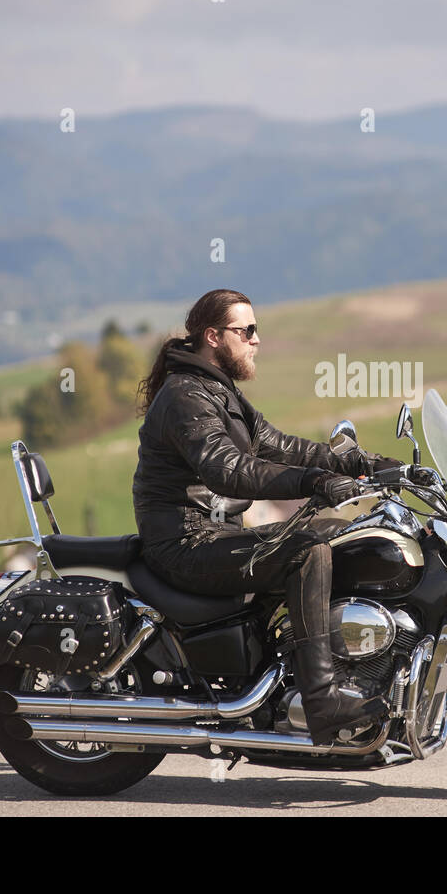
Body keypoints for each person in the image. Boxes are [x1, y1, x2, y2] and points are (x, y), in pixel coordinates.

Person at [132, 288, 405, 745]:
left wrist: (369, 464)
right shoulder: (185, 396)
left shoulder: (219, 392)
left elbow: (284, 446)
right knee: (307, 553)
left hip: (214, 534)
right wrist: (312, 483)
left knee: (341, 535)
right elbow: (227, 470)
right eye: (247, 331)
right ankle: (322, 701)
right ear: (214, 336)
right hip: (186, 542)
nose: (257, 340)